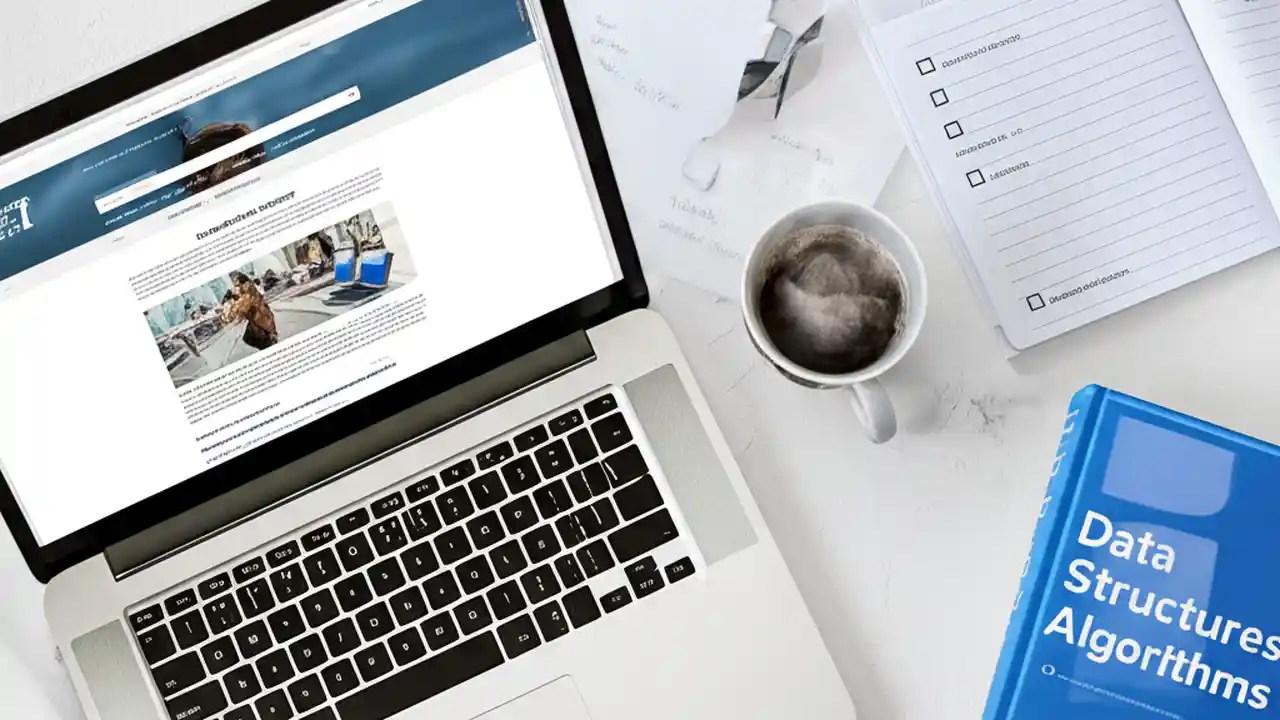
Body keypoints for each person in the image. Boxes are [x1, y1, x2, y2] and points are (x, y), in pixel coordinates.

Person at [221, 272, 279, 350]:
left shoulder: (247, 298)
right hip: (268, 327)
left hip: (264, 333)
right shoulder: (253, 292)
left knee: (249, 338)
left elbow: (228, 318)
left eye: (237, 285)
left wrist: (226, 302)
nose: (236, 288)